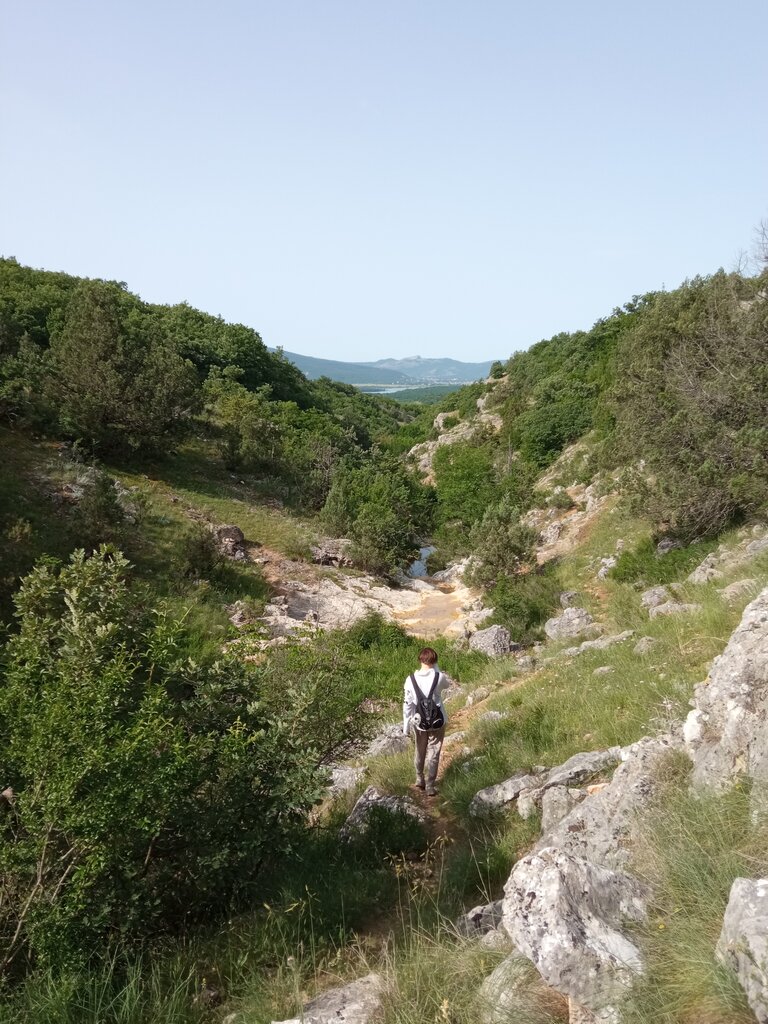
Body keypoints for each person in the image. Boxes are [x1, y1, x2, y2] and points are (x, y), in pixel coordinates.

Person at [402, 646, 450, 796]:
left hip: (419, 721)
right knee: (434, 751)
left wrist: (405, 726)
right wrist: (437, 668)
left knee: (420, 750)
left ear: (420, 660)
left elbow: (407, 704)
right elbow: (446, 685)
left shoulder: (410, 680)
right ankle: (430, 785)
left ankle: (419, 778)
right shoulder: (439, 677)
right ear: (435, 661)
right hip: (438, 720)